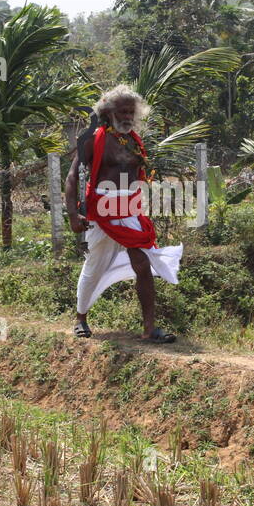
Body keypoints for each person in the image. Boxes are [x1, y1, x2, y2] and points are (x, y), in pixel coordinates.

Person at [64, 86, 182, 342]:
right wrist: (73, 215)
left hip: (129, 210)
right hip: (102, 212)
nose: (128, 116)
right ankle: (81, 318)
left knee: (142, 264)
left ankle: (150, 329)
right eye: (122, 111)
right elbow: (72, 177)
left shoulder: (133, 141)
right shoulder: (92, 139)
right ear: (108, 112)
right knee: (95, 267)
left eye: (131, 111)